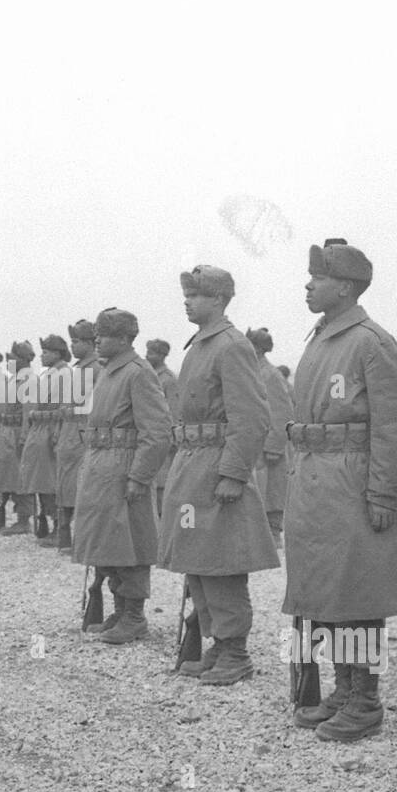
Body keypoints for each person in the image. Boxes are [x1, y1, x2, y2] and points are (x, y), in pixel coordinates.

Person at [283, 239, 397, 741]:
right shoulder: (322, 338)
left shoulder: (370, 342)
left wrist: (386, 494)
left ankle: (365, 702)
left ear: (344, 287)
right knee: (329, 593)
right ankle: (344, 689)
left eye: (317, 278)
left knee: (358, 595)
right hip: (318, 480)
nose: (308, 285)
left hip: (352, 482)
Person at [158, 265, 280, 686]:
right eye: (187, 294)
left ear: (219, 300)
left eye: (197, 295)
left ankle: (235, 652)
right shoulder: (198, 347)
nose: (188, 301)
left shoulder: (231, 346)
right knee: (197, 559)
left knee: (222, 563)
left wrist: (233, 473)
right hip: (192, 464)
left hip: (215, 468)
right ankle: (215, 643)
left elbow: (251, 417)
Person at [72, 309, 171, 644]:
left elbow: (157, 433)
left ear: (126, 338)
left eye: (106, 334)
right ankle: (119, 610)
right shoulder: (108, 371)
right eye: (97, 333)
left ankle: (134, 616)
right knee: (108, 543)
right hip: (101, 465)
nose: (98, 339)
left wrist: (139, 477)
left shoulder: (137, 373)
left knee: (130, 545)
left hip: (124, 468)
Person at [245, 328, 293, 546]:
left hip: (268, 446)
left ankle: (273, 534)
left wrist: (274, 446)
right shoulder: (251, 371)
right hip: (254, 442)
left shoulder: (271, 375)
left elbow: (282, 411)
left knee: (272, 491)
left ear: (260, 348)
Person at [55, 320, 99, 555]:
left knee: (82, 488)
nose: (73, 345)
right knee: (66, 485)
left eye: (78, 341)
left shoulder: (97, 369)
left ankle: (82, 541)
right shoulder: (79, 369)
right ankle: (65, 537)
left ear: (92, 343)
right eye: (72, 341)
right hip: (69, 432)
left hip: (84, 434)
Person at [21, 334, 69, 544]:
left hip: (51, 431)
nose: (42, 356)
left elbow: (63, 408)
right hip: (40, 430)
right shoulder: (51, 374)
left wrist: (57, 435)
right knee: (41, 480)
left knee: (52, 482)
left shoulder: (64, 374)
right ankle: (48, 521)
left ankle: (59, 527)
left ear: (57, 353)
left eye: (46, 352)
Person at [0, 341, 35, 535]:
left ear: (23, 360)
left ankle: (24, 520)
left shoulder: (29, 381)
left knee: (20, 479)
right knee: (4, 477)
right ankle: (2, 513)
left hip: (17, 434)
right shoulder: (12, 380)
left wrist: (24, 439)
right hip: (5, 432)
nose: (8, 362)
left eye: (12, 359)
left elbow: (28, 414)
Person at [144, 339, 180, 517]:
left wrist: (171, 439)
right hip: (150, 438)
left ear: (161, 355)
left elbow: (174, 410)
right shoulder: (150, 376)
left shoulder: (168, 379)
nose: (147, 356)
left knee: (162, 485)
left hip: (164, 440)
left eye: (151, 353)